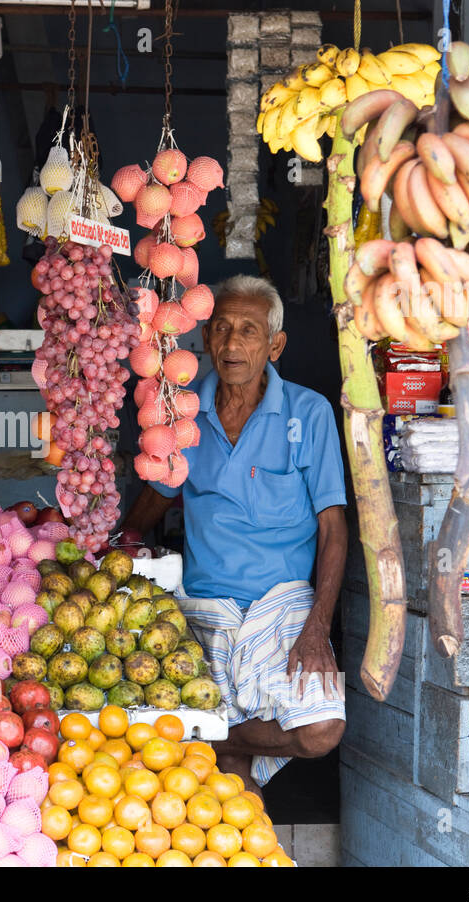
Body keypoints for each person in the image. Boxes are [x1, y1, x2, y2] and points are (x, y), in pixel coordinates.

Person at [120, 275, 347, 797]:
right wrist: (117, 540)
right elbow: (162, 492)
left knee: (319, 730)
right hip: (205, 606)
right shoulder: (182, 409)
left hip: (285, 603)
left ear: (276, 344)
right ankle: (226, 766)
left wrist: (317, 628)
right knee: (229, 790)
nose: (231, 343)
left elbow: (334, 529)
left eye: (249, 330)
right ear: (204, 340)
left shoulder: (307, 413)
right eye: (221, 328)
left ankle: (212, 737)